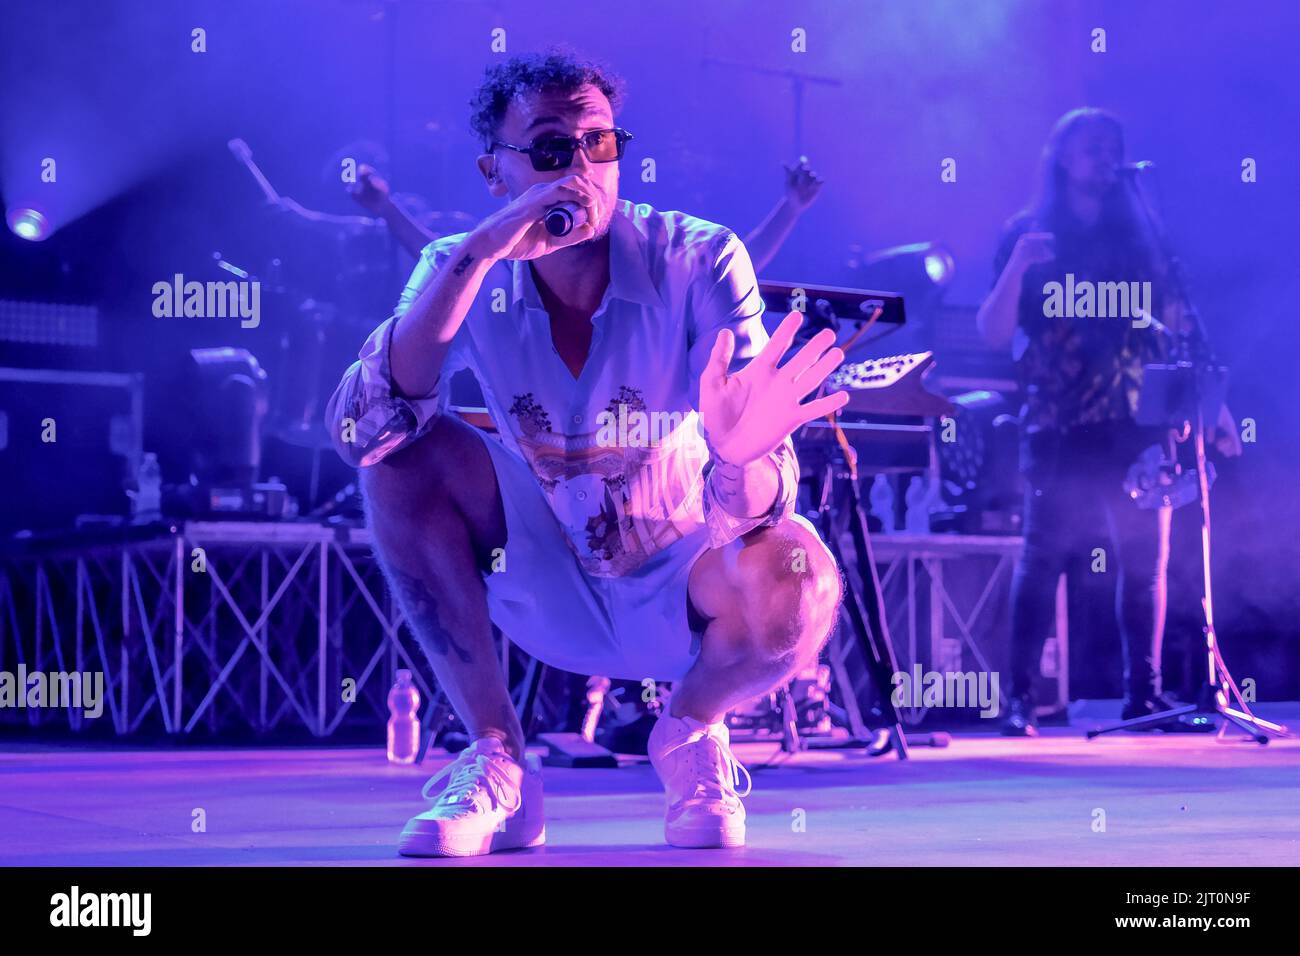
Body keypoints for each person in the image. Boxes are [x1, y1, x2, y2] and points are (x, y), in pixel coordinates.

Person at [326, 50, 847, 856]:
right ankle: (497, 762)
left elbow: (758, 501)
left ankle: (690, 733)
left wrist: (742, 456)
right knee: (403, 459)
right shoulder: (456, 270)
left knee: (800, 573)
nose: (579, 167)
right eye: (548, 148)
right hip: (537, 577)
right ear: (494, 172)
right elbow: (366, 432)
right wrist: (478, 254)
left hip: (684, 572)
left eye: (599, 143)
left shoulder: (698, 257)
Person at [976, 107, 1241, 737]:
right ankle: (1019, 700)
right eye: (1093, 147)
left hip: (1136, 423)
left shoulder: (1140, 238)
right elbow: (992, 333)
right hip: (1058, 422)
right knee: (1042, 558)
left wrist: (1215, 407)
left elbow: (1179, 328)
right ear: (1062, 158)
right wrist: (1018, 264)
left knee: (1145, 563)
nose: (1106, 157)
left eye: (1113, 147)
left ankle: (1142, 698)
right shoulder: (1029, 232)